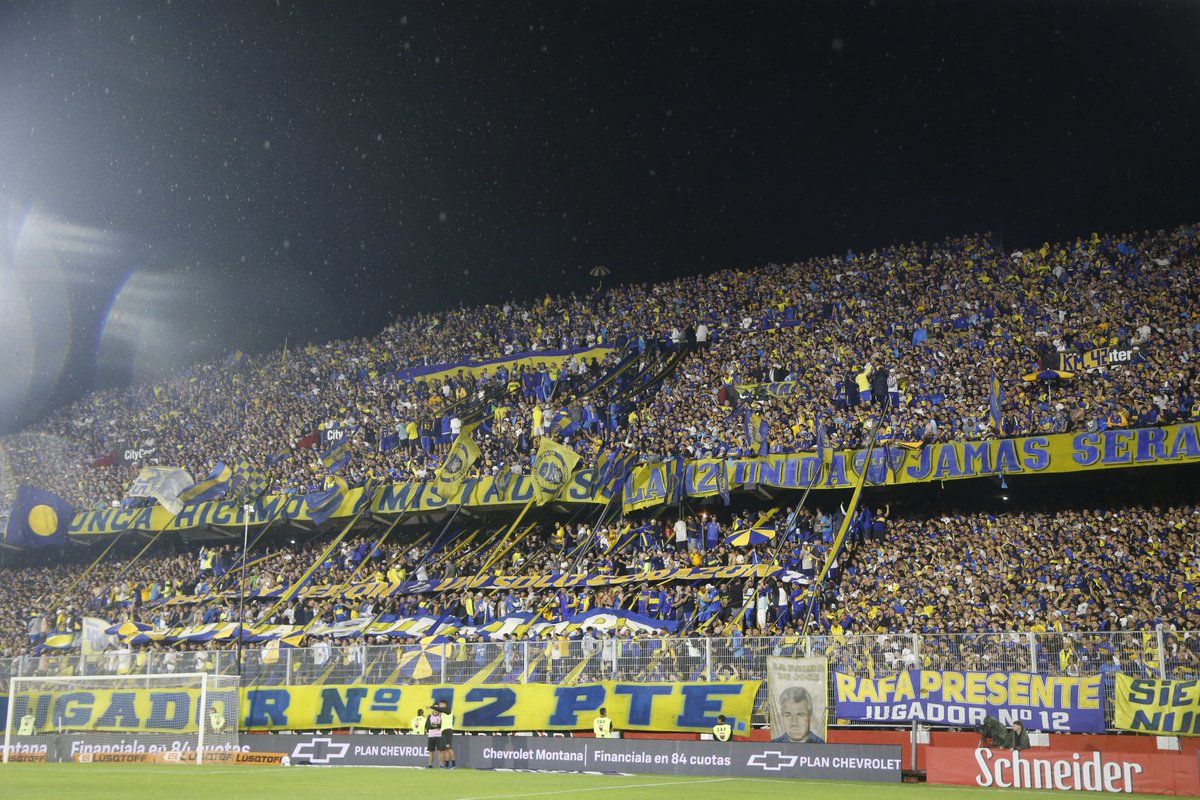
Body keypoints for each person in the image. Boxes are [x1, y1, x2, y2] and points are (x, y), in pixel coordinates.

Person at [439, 701, 457, 768]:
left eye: (440, 704)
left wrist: (431, 707)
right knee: (446, 748)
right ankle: (447, 764)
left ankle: (453, 764)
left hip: (448, 730)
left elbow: (439, 709)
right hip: (443, 731)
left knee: (449, 747)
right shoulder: (442, 713)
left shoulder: (448, 710)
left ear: (444, 704)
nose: (439, 705)